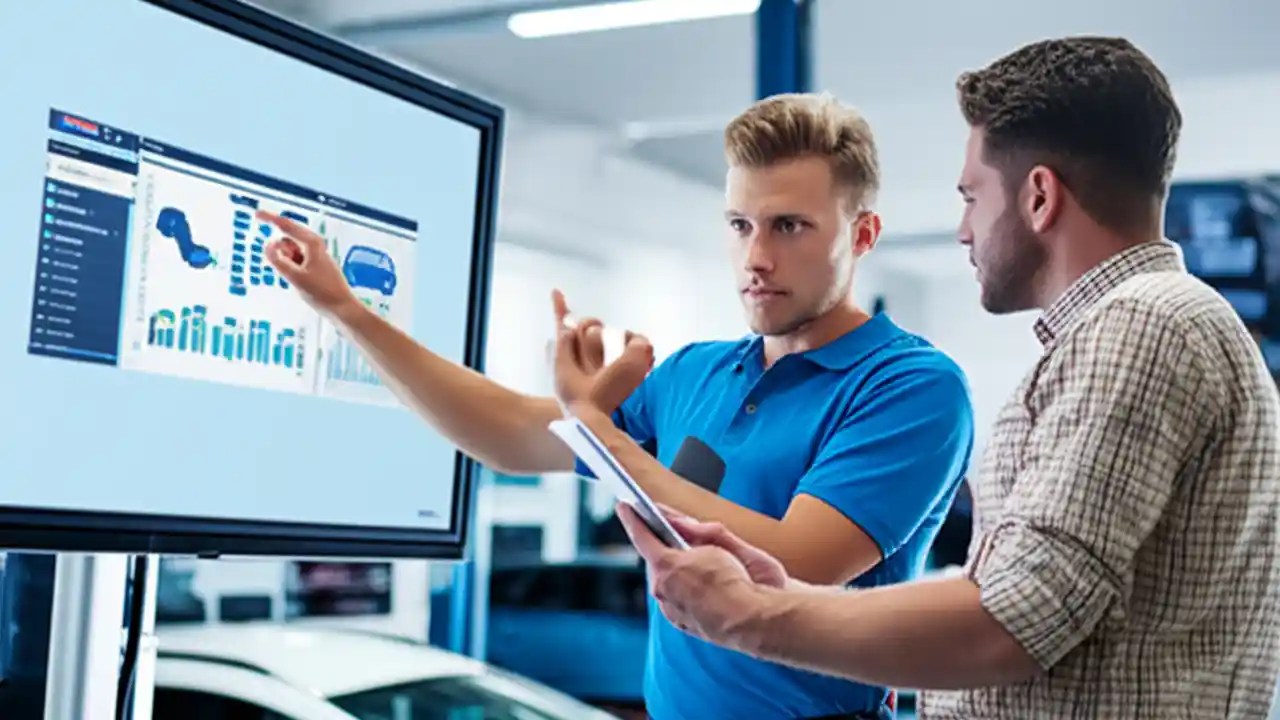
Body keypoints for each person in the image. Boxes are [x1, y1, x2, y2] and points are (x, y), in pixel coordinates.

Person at [583, 36, 1280, 719]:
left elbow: (1012, 620)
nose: (963, 230)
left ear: (1039, 197)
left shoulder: (1140, 329)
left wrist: (751, 616)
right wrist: (782, 603)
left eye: (972, 196)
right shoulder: (1148, 328)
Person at [260, 93, 975, 720]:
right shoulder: (697, 373)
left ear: (863, 235)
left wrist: (601, 434)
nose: (755, 257)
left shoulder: (910, 386)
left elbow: (794, 565)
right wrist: (347, 311)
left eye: (788, 226)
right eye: (738, 225)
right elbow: (510, 434)